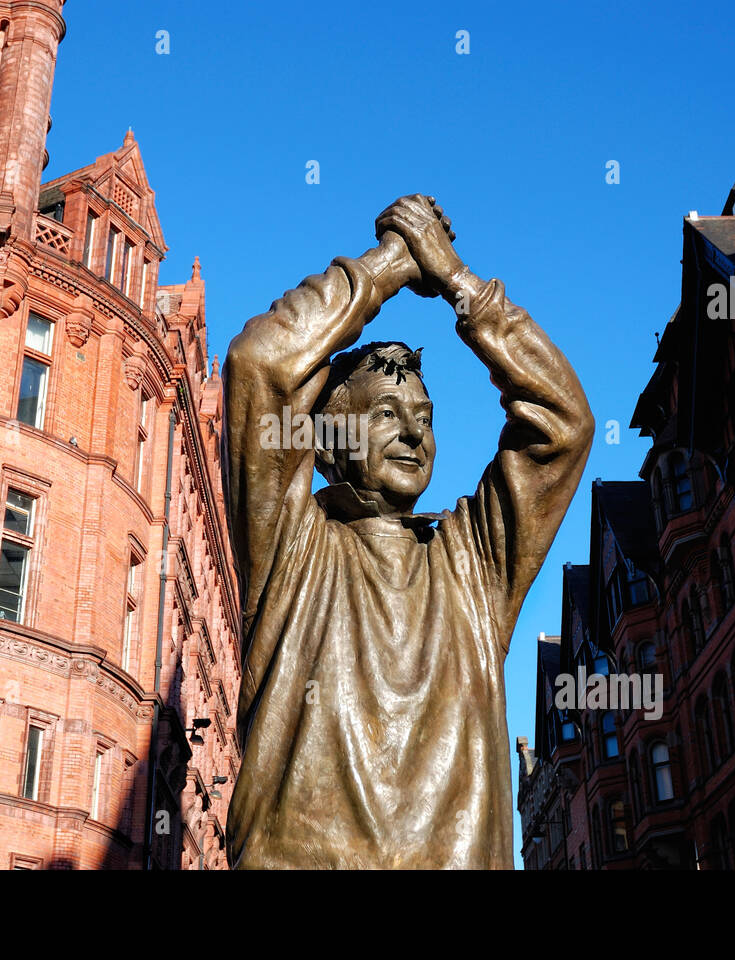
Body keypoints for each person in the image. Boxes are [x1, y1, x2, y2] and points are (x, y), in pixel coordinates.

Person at [222, 194, 594, 868]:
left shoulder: (473, 563)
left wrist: (456, 281)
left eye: (423, 415)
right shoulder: (288, 547)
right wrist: (393, 263)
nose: (414, 430)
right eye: (386, 413)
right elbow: (261, 364)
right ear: (328, 442)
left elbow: (562, 423)